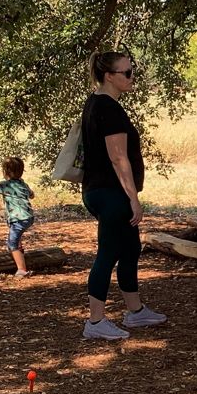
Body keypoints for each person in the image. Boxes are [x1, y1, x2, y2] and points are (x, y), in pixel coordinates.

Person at [79, 50, 167, 340]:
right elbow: (118, 158)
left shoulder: (96, 103)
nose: (131, 77)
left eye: (132, 71)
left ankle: (136, 311)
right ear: (109, 76)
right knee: (108, 252)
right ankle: (95, 321)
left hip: (102, 191)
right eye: (126, 73)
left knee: (130, 248)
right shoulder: (109, 108)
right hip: (110, 193)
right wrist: (133, 197)